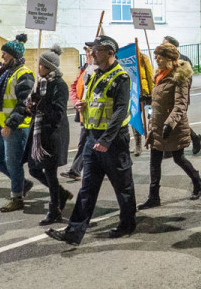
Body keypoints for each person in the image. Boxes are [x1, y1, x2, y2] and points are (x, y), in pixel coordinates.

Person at [46, 35, 137, 245]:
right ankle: (73, 232)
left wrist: (106, 139)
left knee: (123, 186)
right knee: (87, 188)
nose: (92, 53)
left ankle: (127, 224)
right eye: (92, 50)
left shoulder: (121, 78)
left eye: (97, 50)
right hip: (92, 137)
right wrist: (82, 105)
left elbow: (120, 111)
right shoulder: (95, 74)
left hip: (113, 141)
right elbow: (97, 101)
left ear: (110, 53)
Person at [138, 43, 201, 210]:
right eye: (156, 56)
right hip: (157, 124)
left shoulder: (179, 77)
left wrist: (169, 124)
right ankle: (153, 197)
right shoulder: (159, 75)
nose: (156, 59)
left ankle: (197, 182)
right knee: (154, 162)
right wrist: (148, 99)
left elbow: (181, 104)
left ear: (169, 58)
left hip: (172, 127)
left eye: (159, 56)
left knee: (178, 158)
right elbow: (160, 98)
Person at [0, 34, 35, 212]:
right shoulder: (4, 73)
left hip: (15, 127)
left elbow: (23, 104)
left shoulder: (24, 74)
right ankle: (21, 183)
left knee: (13, 163)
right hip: (0, 125)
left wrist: (10, 124)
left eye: (5, 53)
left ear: (14, 56)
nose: (2, 56)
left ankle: (17, 197)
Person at [25, 45, 74, 226]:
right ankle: (61, 194)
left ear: (49, 67)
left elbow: (58, 114)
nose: (38, 67)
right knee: (34, 169)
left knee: (51, 174)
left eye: (41, 65)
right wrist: (31, 107)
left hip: (53, 134)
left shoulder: (59, 85)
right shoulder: (40, 83)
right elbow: (36, 110)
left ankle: (54, 210)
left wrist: (42, 104)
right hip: (39, 134)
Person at [62, 42, 97, 180]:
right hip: (84, 112)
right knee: (86, 142)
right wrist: (76, 101)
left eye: (90, 51)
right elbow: (74, 86)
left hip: (94, 114)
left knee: (90, 142)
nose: (88, 54)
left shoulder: (98, 69)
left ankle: (76, 169)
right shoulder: (86, 68)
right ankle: (76, 170)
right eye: (87, 51)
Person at [162, 36, 201, 154]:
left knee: (178, 121)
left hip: (179, 98)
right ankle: (173, 147)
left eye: (164, 44)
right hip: (167, 97)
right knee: (171, 121)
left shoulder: (184, 61)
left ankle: (191, 140)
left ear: (172, 47)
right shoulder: (164, 59)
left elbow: (186, 82)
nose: (161, 46)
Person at [131, 48, 155, 157]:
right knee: (135, 118)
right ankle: (138, 144)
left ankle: (154, 140)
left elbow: (150, 75)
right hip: (133, 94)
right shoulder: (126, 62)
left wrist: (152, 93)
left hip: (145, 93)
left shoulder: (143, 58)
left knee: (151, 117)